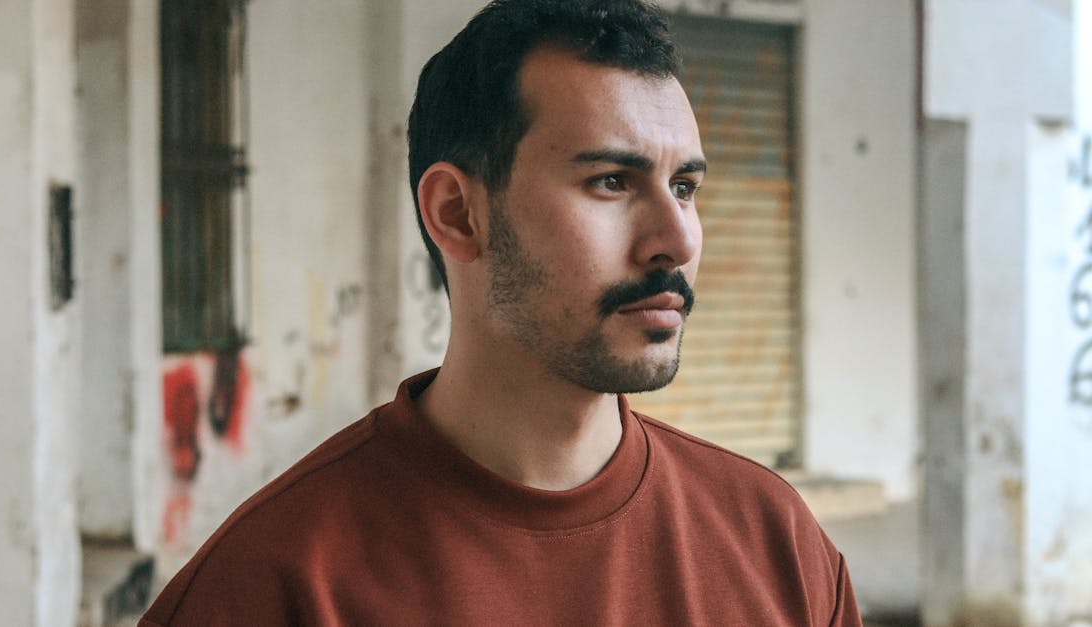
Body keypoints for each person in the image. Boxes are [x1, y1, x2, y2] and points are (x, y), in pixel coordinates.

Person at [140, 0, 862, 625]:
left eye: (683, 186)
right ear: (457, 213)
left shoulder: (777, 545)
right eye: (611, 181)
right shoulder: (275, 586)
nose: (675, 240)